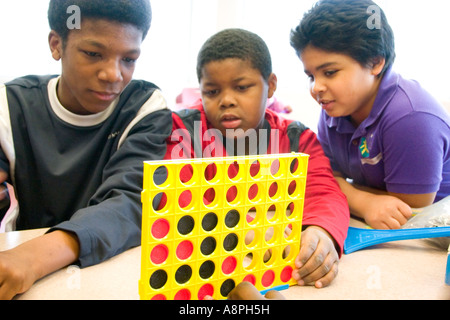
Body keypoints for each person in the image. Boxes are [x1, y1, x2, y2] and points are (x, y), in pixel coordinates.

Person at [0, 0, 172, 299]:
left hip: (108, 273)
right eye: (93, 54)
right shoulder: (11, 106)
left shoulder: (144, 107)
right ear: (56, 44)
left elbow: (132, 201)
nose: (113, 74)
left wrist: (31, 258)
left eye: (129, 59)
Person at [165, 28, 350, 290]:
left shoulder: (297, 139)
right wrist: (241, 227)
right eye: (212, 91)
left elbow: (324, 193)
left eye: (242, 87)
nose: (226, 100)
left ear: (271, 85)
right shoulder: (184, 131)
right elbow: (174, 195)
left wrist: (322, 232)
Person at [290, 0, 450, 230]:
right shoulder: (333, 110)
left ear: (375, 62)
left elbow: (407, 209)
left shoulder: (410, 117)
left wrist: (351, 192)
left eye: (330, 72)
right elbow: (322, 179)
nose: (317, 87)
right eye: (311, 76)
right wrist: (364, 201)